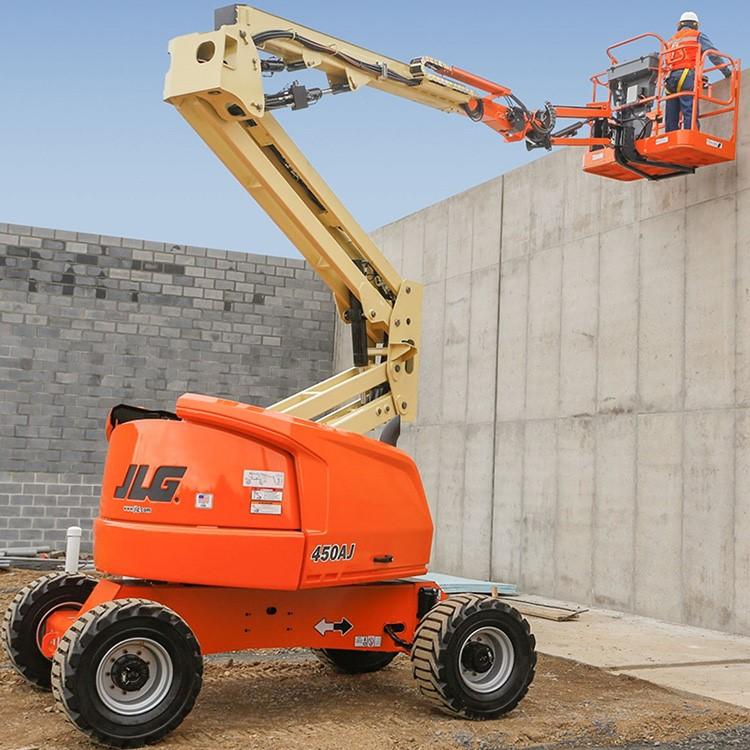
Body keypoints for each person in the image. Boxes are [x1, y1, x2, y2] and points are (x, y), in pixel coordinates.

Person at [664, 11, 731, 132]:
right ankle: (691, 134)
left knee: (671, 113)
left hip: (670, 79)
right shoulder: (697, 35)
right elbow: (712, 54)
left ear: (680, 24)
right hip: (686, 75)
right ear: (695, 24)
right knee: (689, 109)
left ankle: (669, 136)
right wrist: (727, 72)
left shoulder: (671, 41)